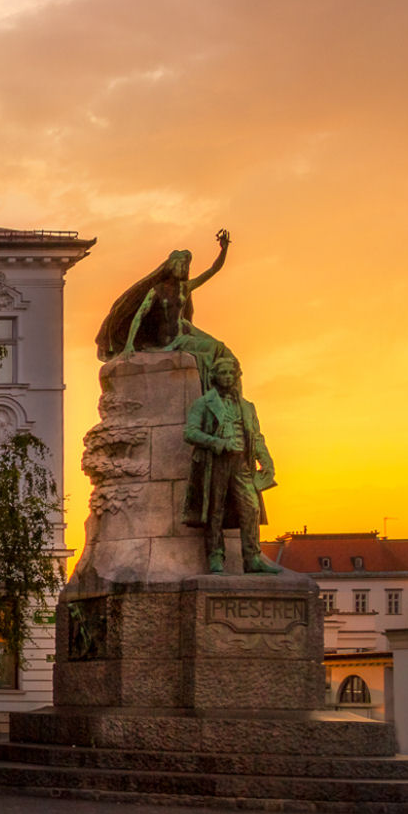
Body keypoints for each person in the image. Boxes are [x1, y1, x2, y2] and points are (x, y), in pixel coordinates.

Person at [182, 356, 282, 575]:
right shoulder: (204, 403)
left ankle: (252, 557)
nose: (227, 377)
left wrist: (266, 463)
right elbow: (190, 432)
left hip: (242, 463)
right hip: (215, 462)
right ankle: (216, 557)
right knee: (214, 510)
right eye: (223, 373)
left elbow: (256, 437)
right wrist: (217, 443)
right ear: (215, 376)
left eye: (231, 373)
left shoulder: (247, 407)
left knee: (251, 507)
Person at [95, 230, 233, 380]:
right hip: (170, 338)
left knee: (219, 348)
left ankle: (218, 391)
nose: (183, 268)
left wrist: (223, 250)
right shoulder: (157, 291)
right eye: (179, 265)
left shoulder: (185, 287)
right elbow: (139, 316)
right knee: (212, 350)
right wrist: (129, 344)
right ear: (171, 267)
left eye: (184, 266)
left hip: (185, 330)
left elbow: (212, 270)